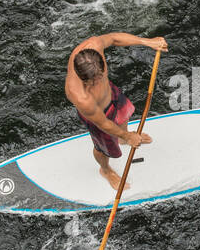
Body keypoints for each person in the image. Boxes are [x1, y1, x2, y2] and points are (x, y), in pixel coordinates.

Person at [65, 31, 168, 192]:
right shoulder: (79, 96)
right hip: (98, 114)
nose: (98, 82)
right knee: (102, 147)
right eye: (93, 81)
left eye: (100, 76)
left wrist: (147, 42)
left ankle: (123, 138)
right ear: (82, 78)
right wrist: (129, 136)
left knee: (124, 115)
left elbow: (113, 39)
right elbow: (104, 123)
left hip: (111, 93)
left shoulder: (93, 46)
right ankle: (105, 170)